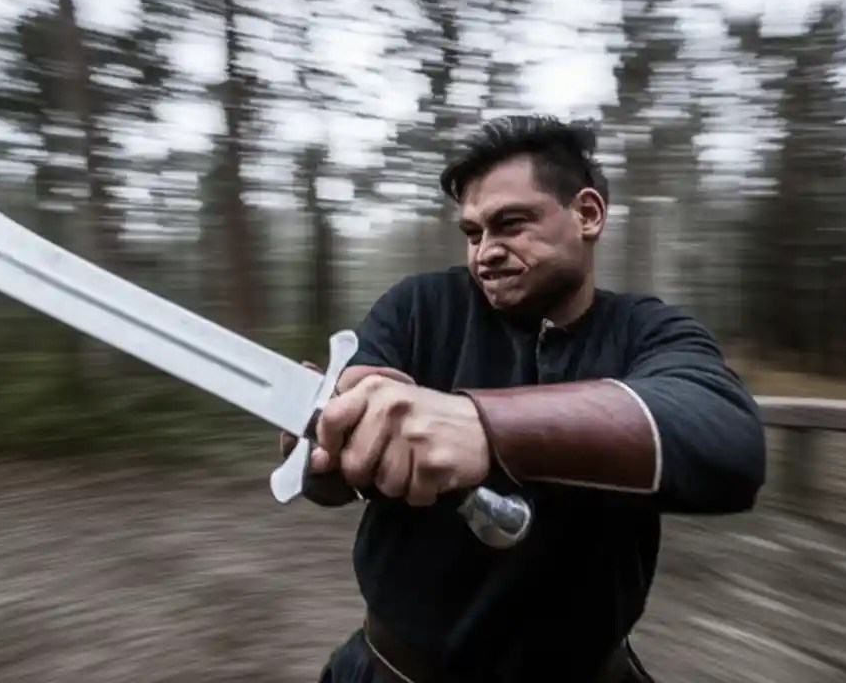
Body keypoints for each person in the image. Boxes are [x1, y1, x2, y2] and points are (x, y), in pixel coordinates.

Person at [280, 114, 767, 682]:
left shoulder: (648, 331)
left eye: (510, 224)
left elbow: (728, 441)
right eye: (473, 234)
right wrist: (321, 448)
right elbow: (331, 481)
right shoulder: (418, 309)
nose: (485, 252)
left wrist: (484, 428)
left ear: (588, 214)